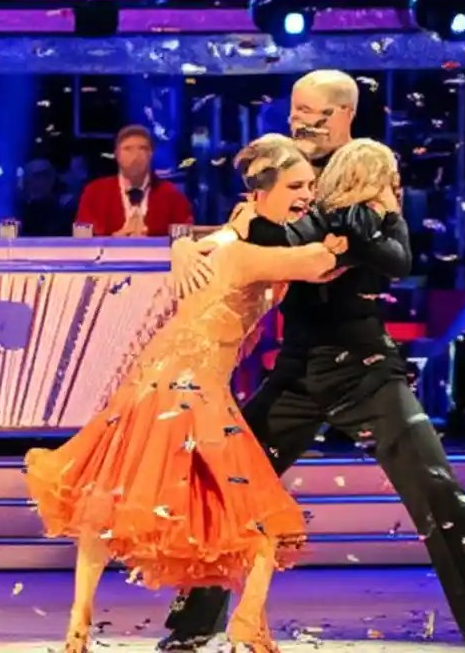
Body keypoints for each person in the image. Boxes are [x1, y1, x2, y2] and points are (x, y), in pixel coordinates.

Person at [159, 77, 465, 653]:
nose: (299, 121)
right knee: (229, 484)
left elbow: (396, 258)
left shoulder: (368, 168)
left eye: (311, 113)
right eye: (294, 111)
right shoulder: (279, 167)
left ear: (343, 114)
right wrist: (186, 245)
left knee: (438, 493)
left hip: (364, 365)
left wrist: (346, 227)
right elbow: (239, 233)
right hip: (298, 365)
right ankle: (189, 629)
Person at [24, 134, 350, 653]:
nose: (307, 193)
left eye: (311, 184)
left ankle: (79, 626)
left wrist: (182, 244)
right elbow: (317, 263)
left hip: (155, 378)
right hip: (191, 387)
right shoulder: (245, 254)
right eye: (297, 185)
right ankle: (246, 624)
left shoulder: (231, 240)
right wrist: (365, 219)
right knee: (256, 516)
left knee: (108, 502)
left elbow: (210, 240)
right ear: (258, 194)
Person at [74, 124, 193, 237]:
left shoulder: (172, 195)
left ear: (151, 154)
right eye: (127, 149)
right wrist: (112, 243)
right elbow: (80, 239)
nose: (135, 155)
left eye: (142, 148)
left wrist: (152, 244)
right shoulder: (94, 192)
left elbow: (186, 242)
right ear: (117, 155)